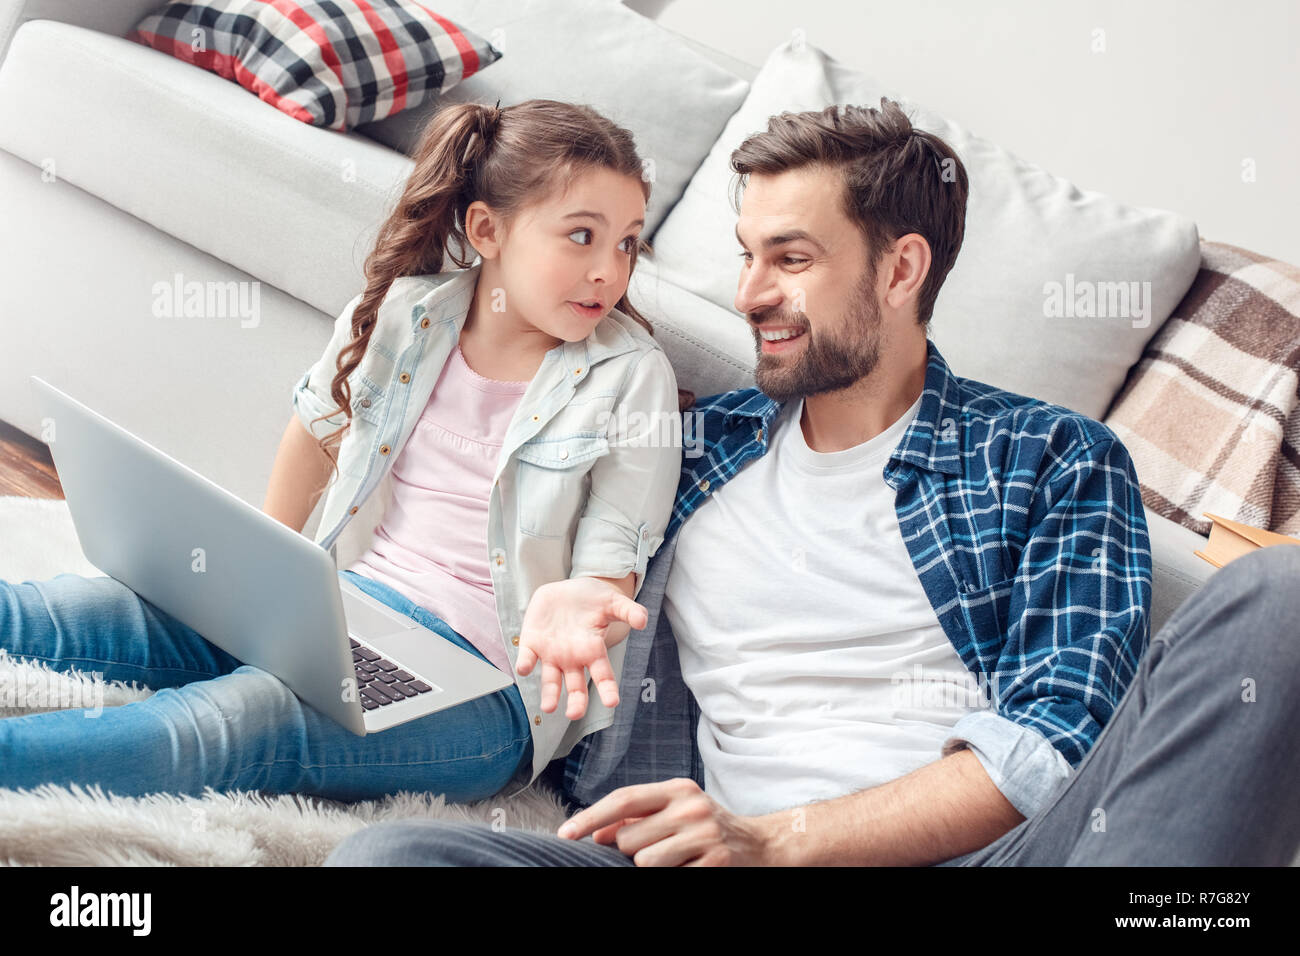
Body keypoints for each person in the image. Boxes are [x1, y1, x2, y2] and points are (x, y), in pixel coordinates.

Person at [323, 99, 1300, 866]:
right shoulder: (690, 439)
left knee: (1284, 597)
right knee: (391, 856)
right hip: (693, 857)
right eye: (746, 255)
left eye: (789, 257)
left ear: (898, 268)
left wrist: (774, 840)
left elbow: (1046, 745)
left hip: (974, 861)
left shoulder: (1049, 458)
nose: (747, 292)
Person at [0, 99, 686, 804]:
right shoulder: (409, 314)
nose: (610, 270)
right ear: (487, 230)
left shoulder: (632, 376)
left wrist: (582, 605)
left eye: (628, 243)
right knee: (67, 615)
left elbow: (611, 569)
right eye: (582, 236)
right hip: (336, 610)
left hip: (487, 687)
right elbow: (316, 430)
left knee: (238, 723)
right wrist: (255, 583)